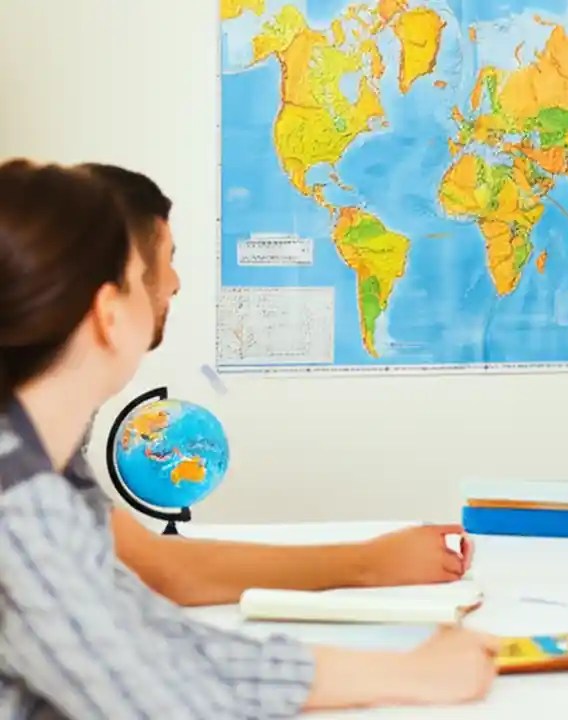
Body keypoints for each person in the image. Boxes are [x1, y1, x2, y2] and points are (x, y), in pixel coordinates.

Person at [0, 159, 496, 716]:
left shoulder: (35, 469)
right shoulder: (22, 507)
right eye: (145, 272)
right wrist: (403, 670)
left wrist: (402, 671)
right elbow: (156, 702)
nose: (174, 285)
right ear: (108, 314)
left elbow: (146, 637)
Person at [78, 163, 472, 607]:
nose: (176, 283)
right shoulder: (22, 460)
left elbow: (150, 564)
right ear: (110, 303)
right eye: (167, 259)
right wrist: (370, 564)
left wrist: (372, 561)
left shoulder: (53, 440)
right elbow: (161, 573)